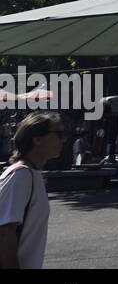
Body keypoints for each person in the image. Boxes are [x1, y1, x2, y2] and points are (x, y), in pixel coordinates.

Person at [0, 113, 64, 269]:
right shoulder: (21, 175)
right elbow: (4, 234)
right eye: (58, 134)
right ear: (37, 139)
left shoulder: (31, 173)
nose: (63, 140)